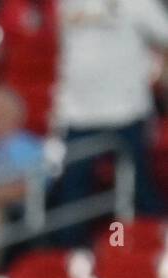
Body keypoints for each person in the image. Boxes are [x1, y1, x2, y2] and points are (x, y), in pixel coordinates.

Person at [54, 0, 168, 232]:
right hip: (78, 114)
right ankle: (72, 260)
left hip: (126, 112)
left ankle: (155, 250)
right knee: (73, 198)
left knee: (138, 191)